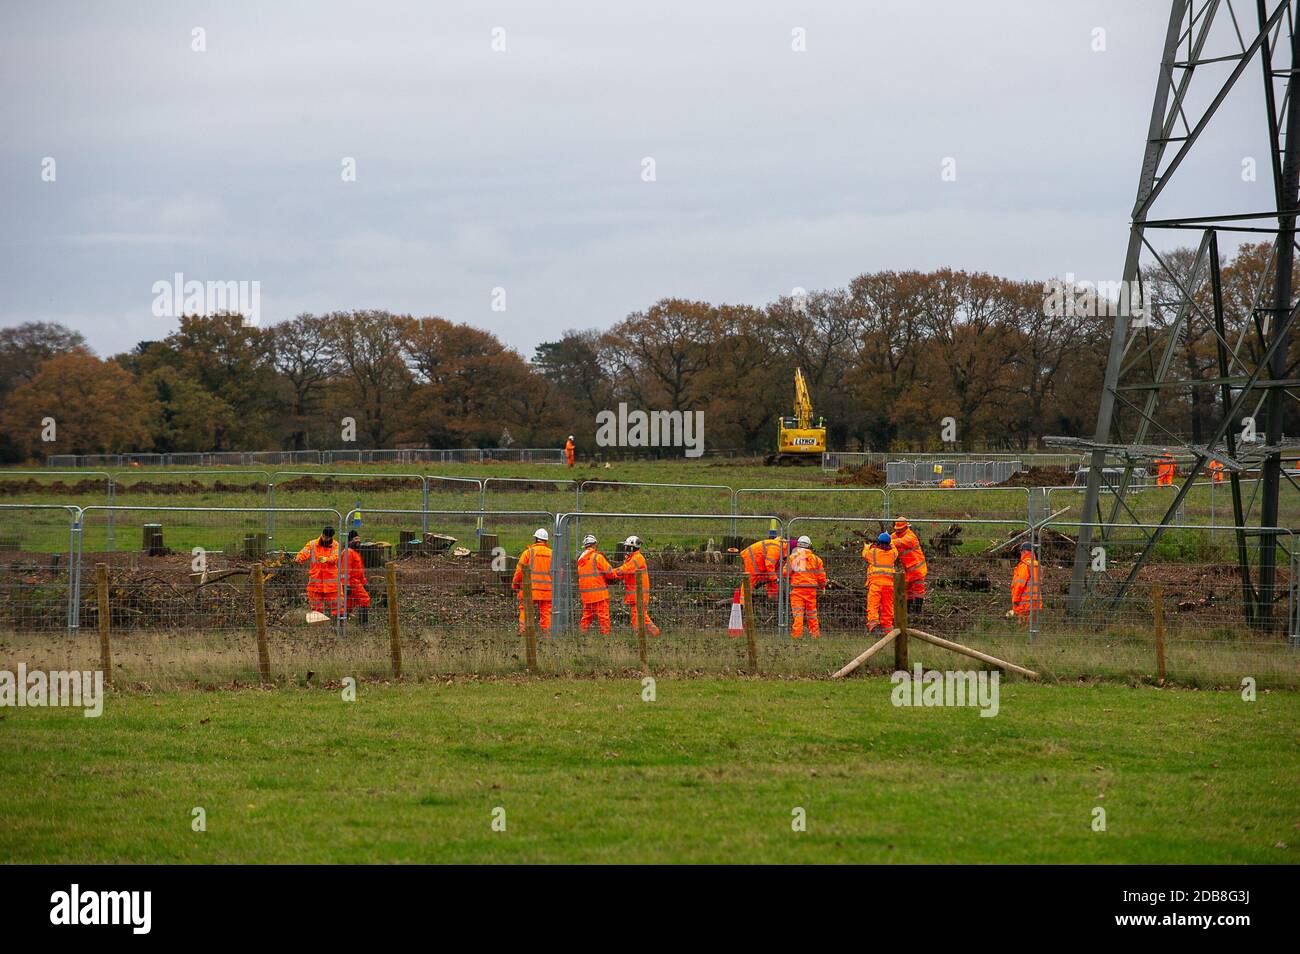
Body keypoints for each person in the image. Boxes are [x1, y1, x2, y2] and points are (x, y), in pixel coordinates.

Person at [615, 535, 660, 637]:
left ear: (632, 547)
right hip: (635, 594)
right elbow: (625, 573)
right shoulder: (631, 558)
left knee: (638, 616)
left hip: (639, 594)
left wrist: (613, 572)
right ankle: (655, 633)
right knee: (642, 616)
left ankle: (639, 636)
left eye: (627, 547)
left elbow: (626, 569)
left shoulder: (637, 558)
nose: (625, 549)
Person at [511, 528, 553, 635]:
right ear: (546, 541)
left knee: (525, 609)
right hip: (547, 591)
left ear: (535, 539)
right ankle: (547, 634)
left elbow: (519, 571)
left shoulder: (528, 553)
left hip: (529, 590)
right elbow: (559, 573)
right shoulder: (552, 554)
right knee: (546, 612)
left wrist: (515, 584)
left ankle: (523, 632)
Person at [785, 535, 827, 638]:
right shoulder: (817, 560)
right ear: (809, 546)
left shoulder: (793, 557)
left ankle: (797, 636)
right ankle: (815, 635)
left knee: (798, 615)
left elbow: (785, 573)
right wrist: (822, 587)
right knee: (812, 614)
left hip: (797, 590)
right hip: (811, 591)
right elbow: (821, 577)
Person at [576, 533, 618, 635]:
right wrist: (618, 574)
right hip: (599, 595)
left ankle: (581, 637)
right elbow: (610, 573)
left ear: (585, 546)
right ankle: (606, 637)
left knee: (586, 618)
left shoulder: (580, 560)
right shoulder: (597, 557)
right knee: (604, 618)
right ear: (594, 544)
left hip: (586, 596)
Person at [294, 525, 340, 617]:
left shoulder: (336, 545)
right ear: (321, 534)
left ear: (331, 537)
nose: (324, 538)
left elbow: (335, 557)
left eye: (327, 537)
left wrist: (327, 559)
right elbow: (304, 552)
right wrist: (299, 558)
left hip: (331, 582)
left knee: (337, 606)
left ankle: (338, 624)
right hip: (316, 580)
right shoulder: (312, 544)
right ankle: (318, 625)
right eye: (323, 536)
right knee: (316, 607)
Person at [862, 530, 898, 636]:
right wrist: (889, 539)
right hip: (889, 586)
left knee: (873, 605)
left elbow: (864, 554)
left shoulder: (872, 553)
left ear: (878, 542)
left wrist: (868, 546)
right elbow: (894, 547)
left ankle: (873, 627)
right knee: (887, 607)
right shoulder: (893, 553)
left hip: (876, 585)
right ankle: (888, 630)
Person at [890, 517, 928, 616]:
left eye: (900, 529)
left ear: (905, 527)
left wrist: (887, 542)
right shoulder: (896, 535)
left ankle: (917, 612)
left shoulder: (910, 537)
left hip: (918, 568)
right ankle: (908, 611)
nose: (897, 531)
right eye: (897, 529)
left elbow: (898, 542)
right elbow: (892, 539)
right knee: (908, 589)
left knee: (918, 590)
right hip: (909, 569)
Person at [740, 529, 788, 599]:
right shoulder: (777, 548)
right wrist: (774, 578)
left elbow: (776, 567)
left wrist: (775, 577)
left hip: (759, 560)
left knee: (771, 579)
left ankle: (773, 600)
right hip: (753, 558)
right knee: (750, 580)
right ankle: (743, 602)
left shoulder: (781, 550)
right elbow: (769, 564)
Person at [1009, 541, 1042, 622]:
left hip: (1025, 602)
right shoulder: (1038, 566)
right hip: (1036, 601)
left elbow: (1019, 585)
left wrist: (1015, 599)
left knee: (1022, 627)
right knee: (1033, 626)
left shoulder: (1024, 566)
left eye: (1021, 552)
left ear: (1024, 551)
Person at [343, 530, 370, 624]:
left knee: (349, 605)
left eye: (359, 538)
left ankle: (340, 622)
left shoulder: (356, 553)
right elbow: (345, 570)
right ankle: (364, 624)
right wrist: (346, 585)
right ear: (350, 541)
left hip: (356, 582)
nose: (358, 541)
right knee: (364, 599)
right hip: (352, 582)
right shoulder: (348, 552)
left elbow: (360, 571)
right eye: (356, 539)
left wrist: (364, 582)